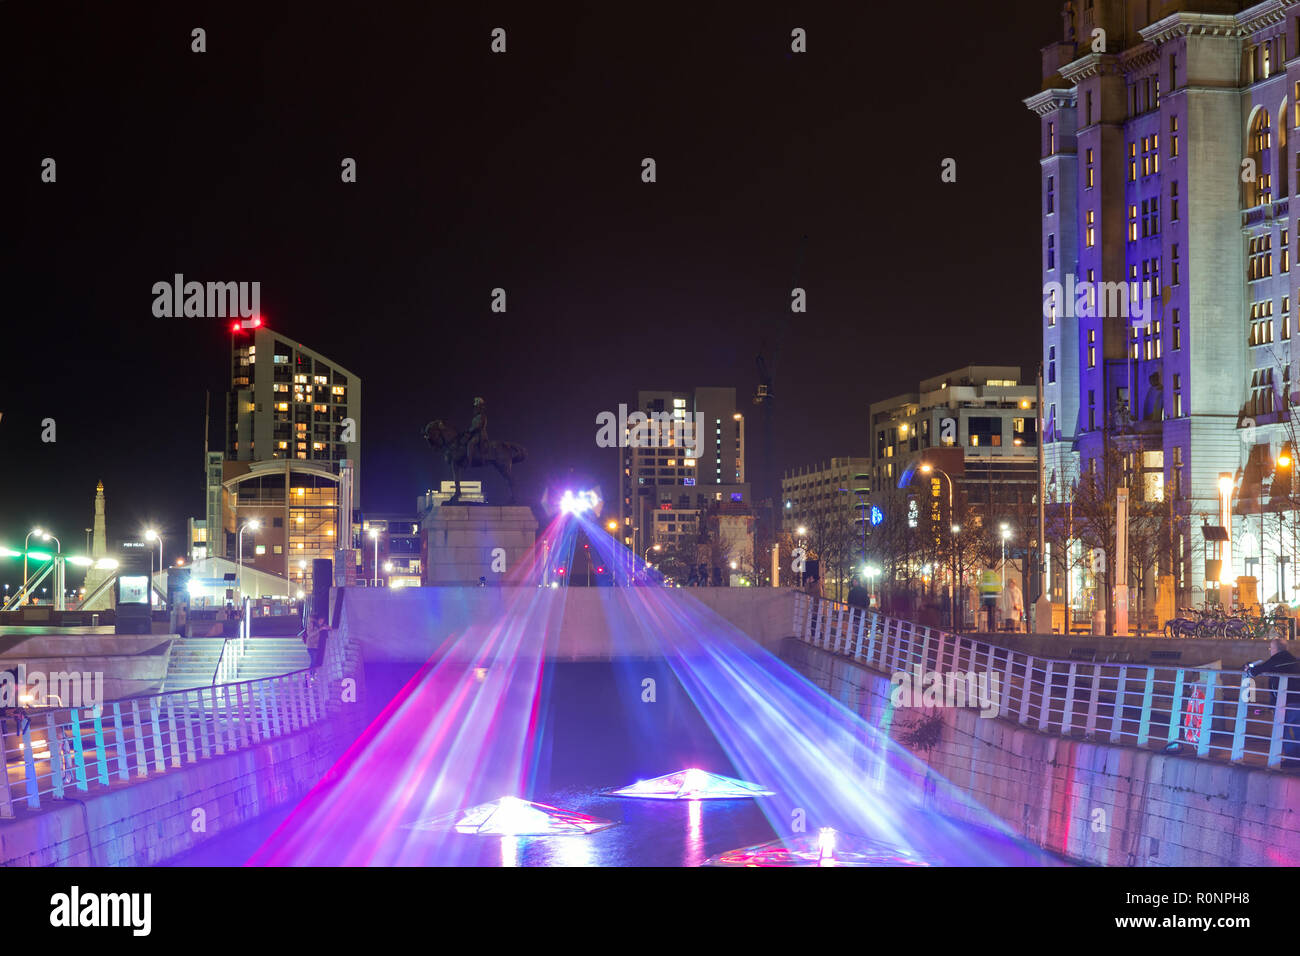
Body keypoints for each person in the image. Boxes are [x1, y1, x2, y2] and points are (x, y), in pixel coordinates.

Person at [1247, 636, 1300, 767]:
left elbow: (1258, 670)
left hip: (1286, 701)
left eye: (1271, 648)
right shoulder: (1294, 660)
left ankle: (1291, 759)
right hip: (1297, 699)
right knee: (1297, 729)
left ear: (1276, 649)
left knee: (1286, 730)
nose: (1270, 650)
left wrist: (1249, 670)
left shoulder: (1276, 660)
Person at [466, 396, 488, 465]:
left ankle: (469, 461)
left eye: (476, 408)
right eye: (475, 408)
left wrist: (470, 430)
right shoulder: (476, 417)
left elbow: (478, 426)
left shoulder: (482, 416)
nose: (475, 409)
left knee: (471, 444)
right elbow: (473, 426)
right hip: (475, 434)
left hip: (480, 434)